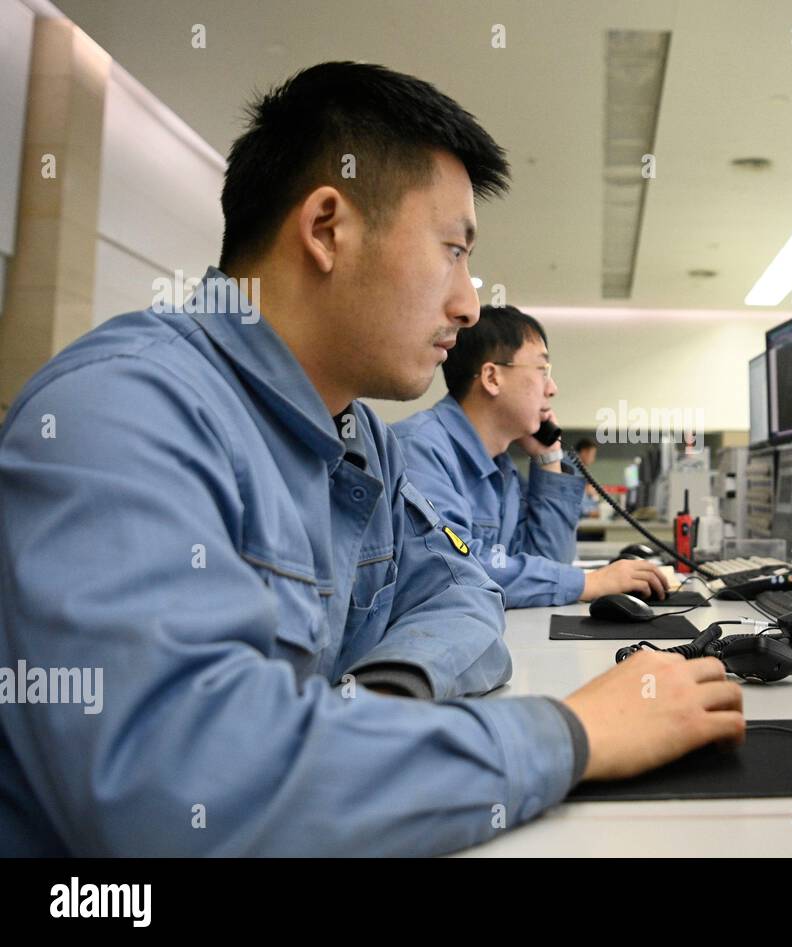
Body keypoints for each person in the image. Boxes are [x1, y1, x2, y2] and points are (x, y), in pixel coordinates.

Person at [0, 62, 743, 856]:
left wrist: (380, 705)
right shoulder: (124, 413)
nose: (466, 303)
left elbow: (464, 591)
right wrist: (574, 732)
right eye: (453, 250)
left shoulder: (361, 442)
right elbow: (180, 789)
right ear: (326, 228)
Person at [395, 307, 668, 607]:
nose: (552, 389)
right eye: (542, 371)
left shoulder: (502, 470)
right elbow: (455, 571)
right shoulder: (419, 450)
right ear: (492, 377)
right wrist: (589, 582)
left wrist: (549, 458)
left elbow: (549, 561)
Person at [571, 437, 604, 518]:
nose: (593, 459)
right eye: (592, 455)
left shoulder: (580, 472)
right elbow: (579, 508)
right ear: (584, 452)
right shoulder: (573, 471)